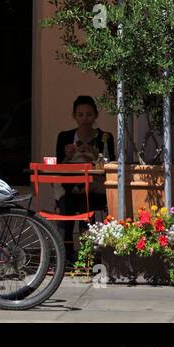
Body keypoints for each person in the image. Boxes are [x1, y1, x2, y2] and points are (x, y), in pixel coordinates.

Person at [54, 95, 115, 252]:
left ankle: (86, 255)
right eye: (80, 114)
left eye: (89, 114)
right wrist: (67, 155)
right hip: (70, 187)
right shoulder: (65, 137)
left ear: (95, 115)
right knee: (67, 205)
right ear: (74, 116)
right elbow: (59, 166)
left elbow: (111, 165)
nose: (85, 118)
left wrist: (96, 154)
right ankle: (66, 256)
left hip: (95, 188)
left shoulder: (104, 137)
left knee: (84, 204)